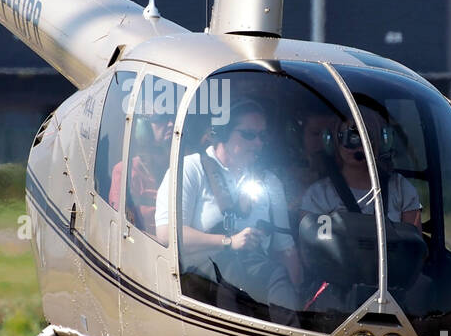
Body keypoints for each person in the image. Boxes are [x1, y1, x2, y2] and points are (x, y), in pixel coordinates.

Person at [154, 100, 301, 317]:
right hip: (202, 279)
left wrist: (299, 298)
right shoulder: (190, 169)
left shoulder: (269, 182)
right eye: (249, 135)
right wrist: (229, 242)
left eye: (262, 136)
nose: (258, 142)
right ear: (223, 133)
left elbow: (285, 249)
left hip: (257, 275)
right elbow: (167, 234)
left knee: (278, 279)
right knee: (234, 276)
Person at [300, 117, 423, 228]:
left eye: (365, 136)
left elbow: (414, 247)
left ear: (382, 141)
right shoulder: (318, 195)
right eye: (349, 136)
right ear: (333, 141)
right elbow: (309, 248)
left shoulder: (401, 189)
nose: (357, 144)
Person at [108, 110, 174, 236]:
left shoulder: (176, 169)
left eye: (172, 119)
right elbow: (122, 227)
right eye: (162, 118)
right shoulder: (125, 172)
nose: (171, 124)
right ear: (143, 128)